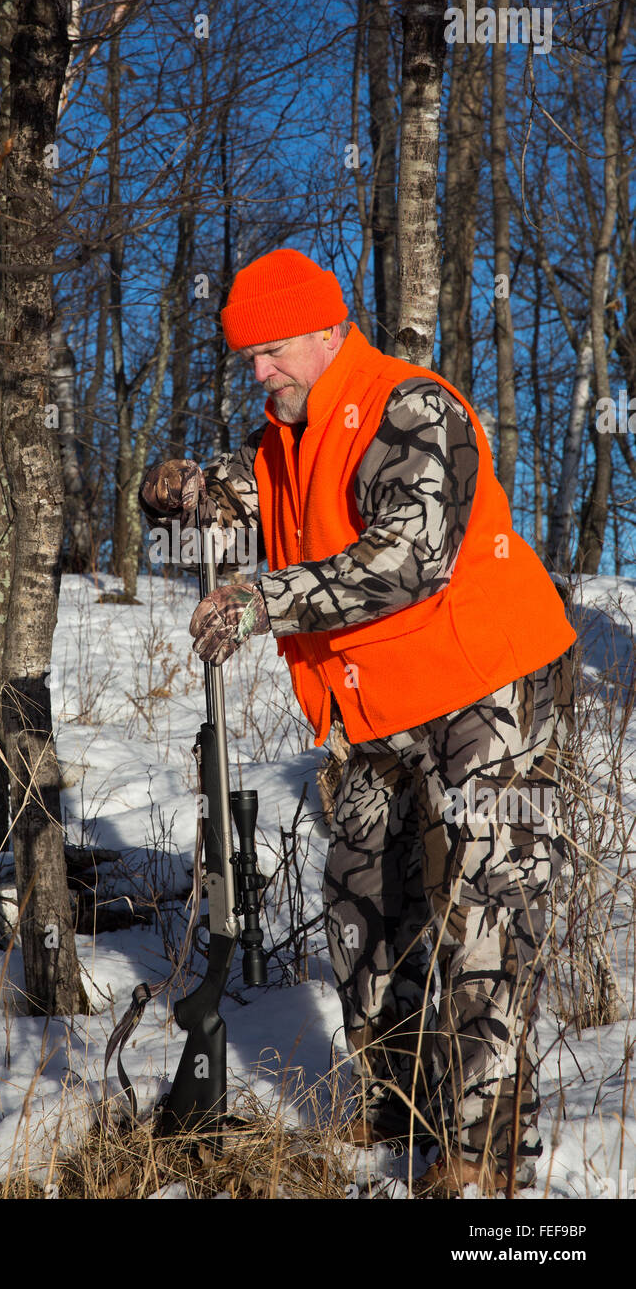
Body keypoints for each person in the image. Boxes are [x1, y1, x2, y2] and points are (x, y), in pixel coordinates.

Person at [139, 248, 576, 1196]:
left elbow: (411, 555)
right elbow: (230, 506)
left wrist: (263, 604)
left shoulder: (412, 407)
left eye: (272, 350)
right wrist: (173, 489)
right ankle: (395, 1119)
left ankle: (482, 1169)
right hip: (376, 713)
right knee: (362, 900)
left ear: (329, 328)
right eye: (246, 356)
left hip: (483, 690)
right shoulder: (278, 440)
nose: (258, 371)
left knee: (480, 925)